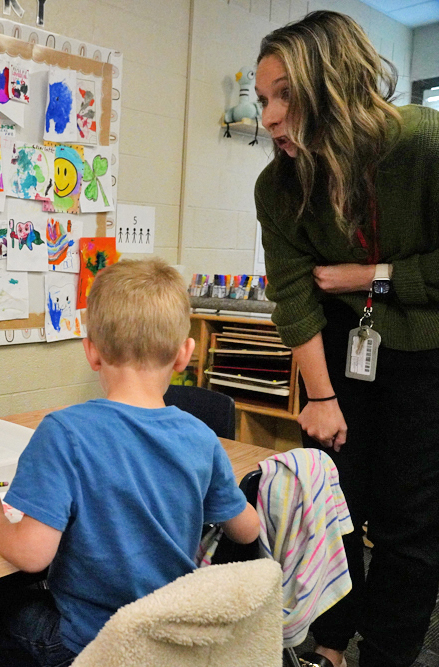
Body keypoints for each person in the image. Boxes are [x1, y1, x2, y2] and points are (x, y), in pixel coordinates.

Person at [0, 258, 260, 666]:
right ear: (184, 354)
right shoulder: (201, 437)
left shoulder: (64, 432)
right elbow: (247, 531)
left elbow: (32, 555)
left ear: (92, 352)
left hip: (91, 645)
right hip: (168, 639)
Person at [254, 11, 439, 667]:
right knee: (329, 507)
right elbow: (296, 296)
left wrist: (377, 277)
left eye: (285, 95)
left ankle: (387, 653)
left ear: (334, 84)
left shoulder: (426, 144)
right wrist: (322, 397)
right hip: (340, 351)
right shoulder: (277, 185)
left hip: (426, 353)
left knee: (408, 524)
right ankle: (327, 645)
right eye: (262, 100)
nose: (271, 117)